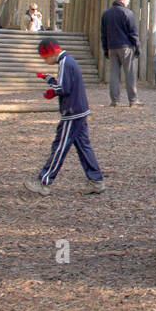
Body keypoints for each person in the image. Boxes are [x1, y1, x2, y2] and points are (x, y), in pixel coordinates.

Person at [27, 38, 105, 195]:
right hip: (79, 110)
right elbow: (65, 84)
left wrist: (51, 91)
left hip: (71, 112)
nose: (45, 61)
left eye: (45, 58)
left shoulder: (64, 63)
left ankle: (44, 182)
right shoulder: (69, 61)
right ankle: (96, 181)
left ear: (51, 53)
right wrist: (48, 78)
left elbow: (63, 88)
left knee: (60, 147)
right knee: (83, 147)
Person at [100, 0, 140, 107]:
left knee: (113, 74)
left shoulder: (106, 14)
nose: (127, 3)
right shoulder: (127, 13)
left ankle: (115, 100)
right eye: (127, 1)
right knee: (129, 74)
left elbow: (103, 34)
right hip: (126, 47)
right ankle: (133, 100)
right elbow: (133, 32)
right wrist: (137, 47)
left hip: (112, 47)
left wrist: (105, 49)